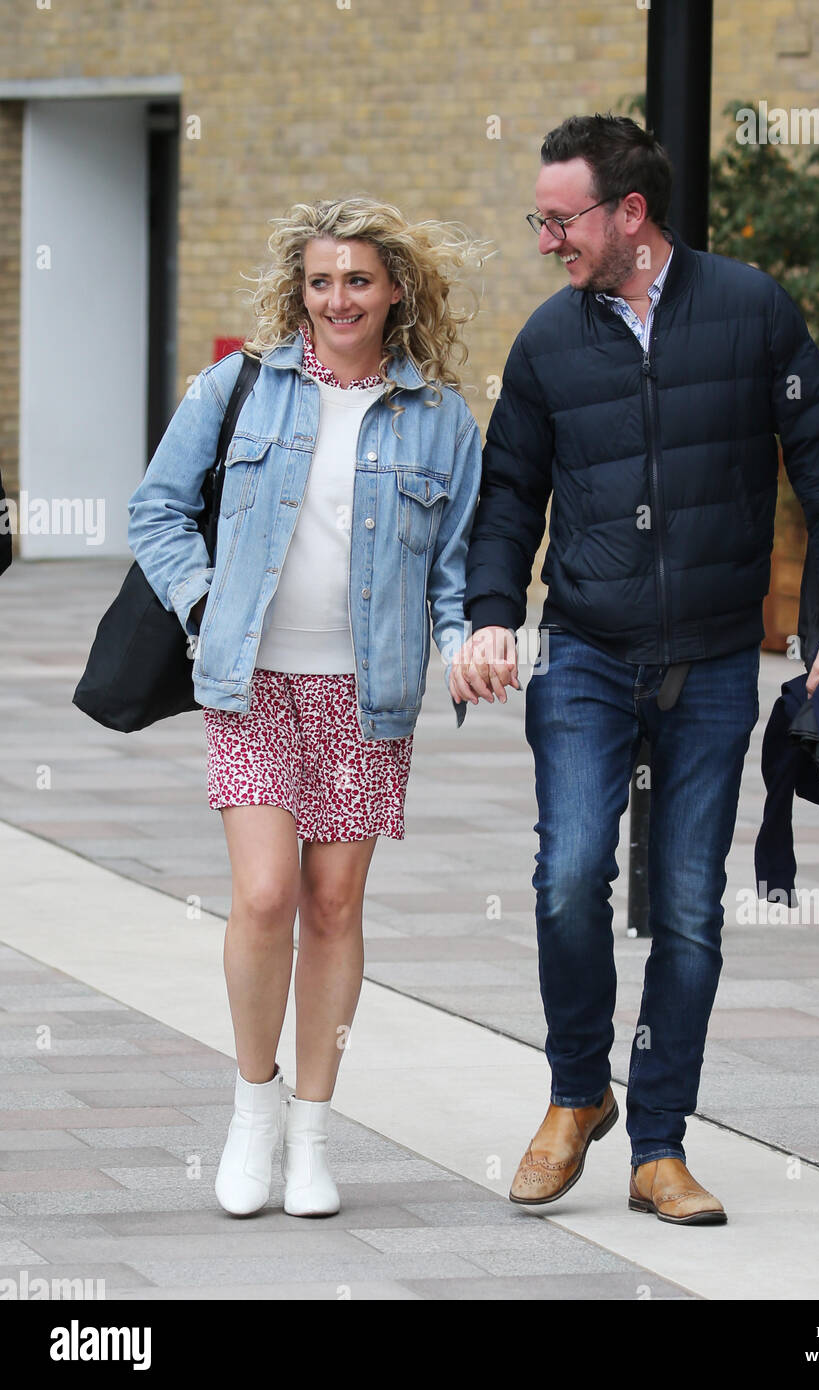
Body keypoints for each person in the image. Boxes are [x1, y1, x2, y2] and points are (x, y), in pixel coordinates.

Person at [451, 114, 819, 1225]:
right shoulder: (549, 342)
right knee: (566, 876)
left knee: (689, 908)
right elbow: (508, 498)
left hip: (714, 660)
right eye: (540, 219)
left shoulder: (751, 312)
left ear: (628, 214)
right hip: (587, 649)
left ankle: (660, 1147)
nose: (547, 238)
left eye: (561, 218)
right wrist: (493, 616)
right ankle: (575, 1089)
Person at [128, 198, 485, 1217]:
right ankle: (252, 1107)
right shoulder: (238, 386)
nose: (340, 298)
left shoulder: (441, 418)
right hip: (251, 682)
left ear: (395, 291)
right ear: (301, 291)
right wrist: (205, 600)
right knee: (267, 894)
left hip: (368, 695)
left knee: (334, 906)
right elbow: (155, 508)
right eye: (323, 281)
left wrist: (466, 641)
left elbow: (456, 570)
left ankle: (314, 1134)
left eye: (359, 280)